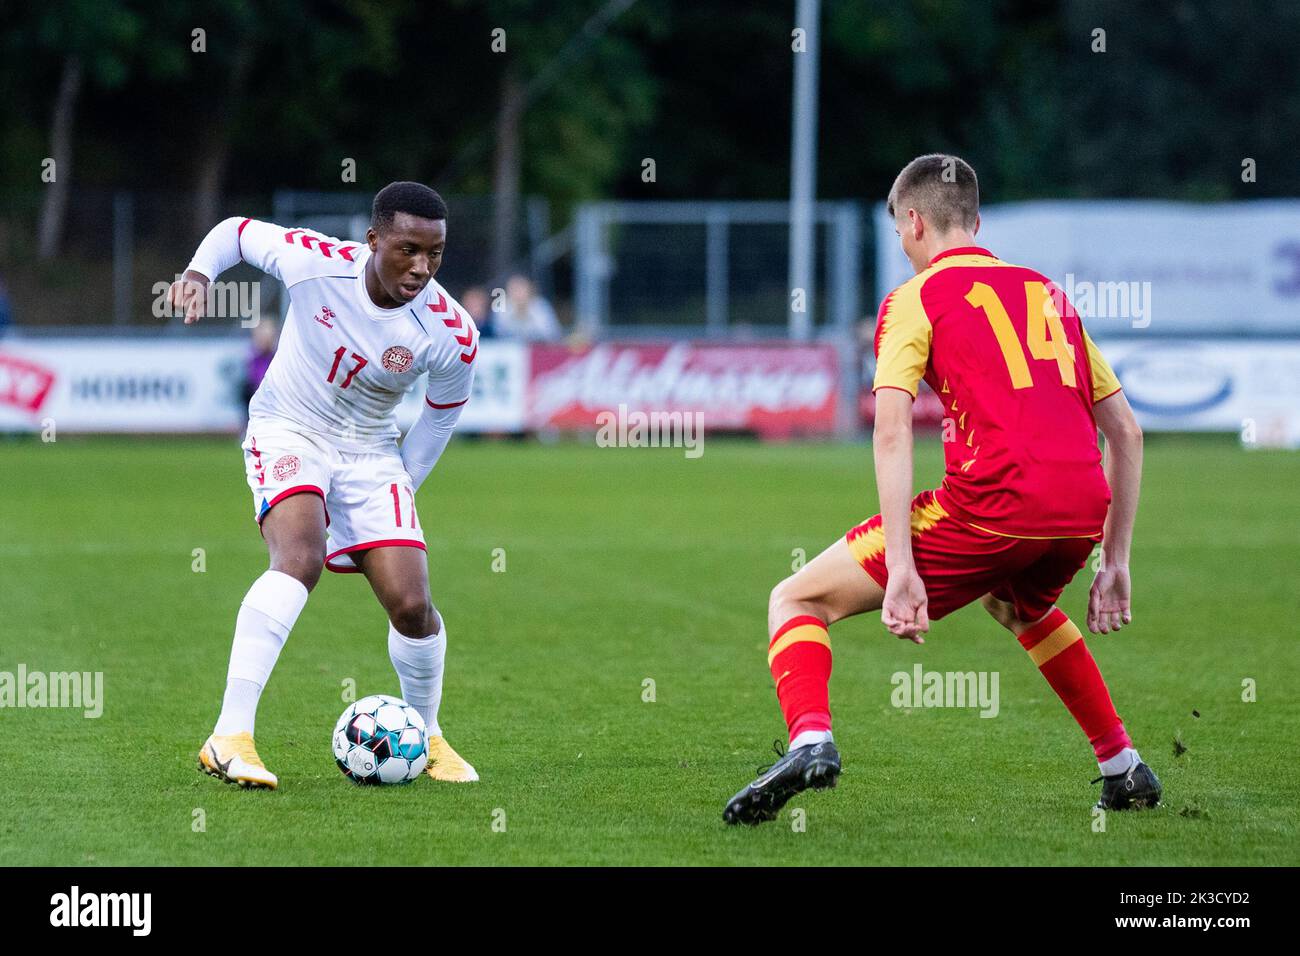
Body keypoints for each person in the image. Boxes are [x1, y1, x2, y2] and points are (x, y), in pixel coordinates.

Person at [724, 154, 1159, 824]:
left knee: (797, 597)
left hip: (991, 508)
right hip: (1080, 513)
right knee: (1020, 606)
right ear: (977, 222)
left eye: (901, 232)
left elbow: (893, 431)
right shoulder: (1049, 292)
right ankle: (1122, 765)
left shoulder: (914, 299)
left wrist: (902, 568)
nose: (902, 245)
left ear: (915, 223)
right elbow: (1125, 433)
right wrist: (1116, 560)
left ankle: (811, 739)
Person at [170, 181, 480, 789]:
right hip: (290, 429)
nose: (422, 267)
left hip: (372, 452)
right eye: (407, 250)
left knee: (414, 606)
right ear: (373, 241)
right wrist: (199, 273)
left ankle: (430, 734)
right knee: (300, 557)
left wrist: (403, 487)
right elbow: (236, 230)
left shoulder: (453, 332)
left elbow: (441, 414)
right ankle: (229, 735)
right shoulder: (316, 262)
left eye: (435, 253)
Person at [492, 274, 561, 342]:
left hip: (539, 349)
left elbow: (552, 334)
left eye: (521, 289)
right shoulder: (501, 308)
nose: (518, 294)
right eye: (514, 289)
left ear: (530, 290)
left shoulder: (540, 307)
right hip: (509, 350)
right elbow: (497, 334)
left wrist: (527, 313)